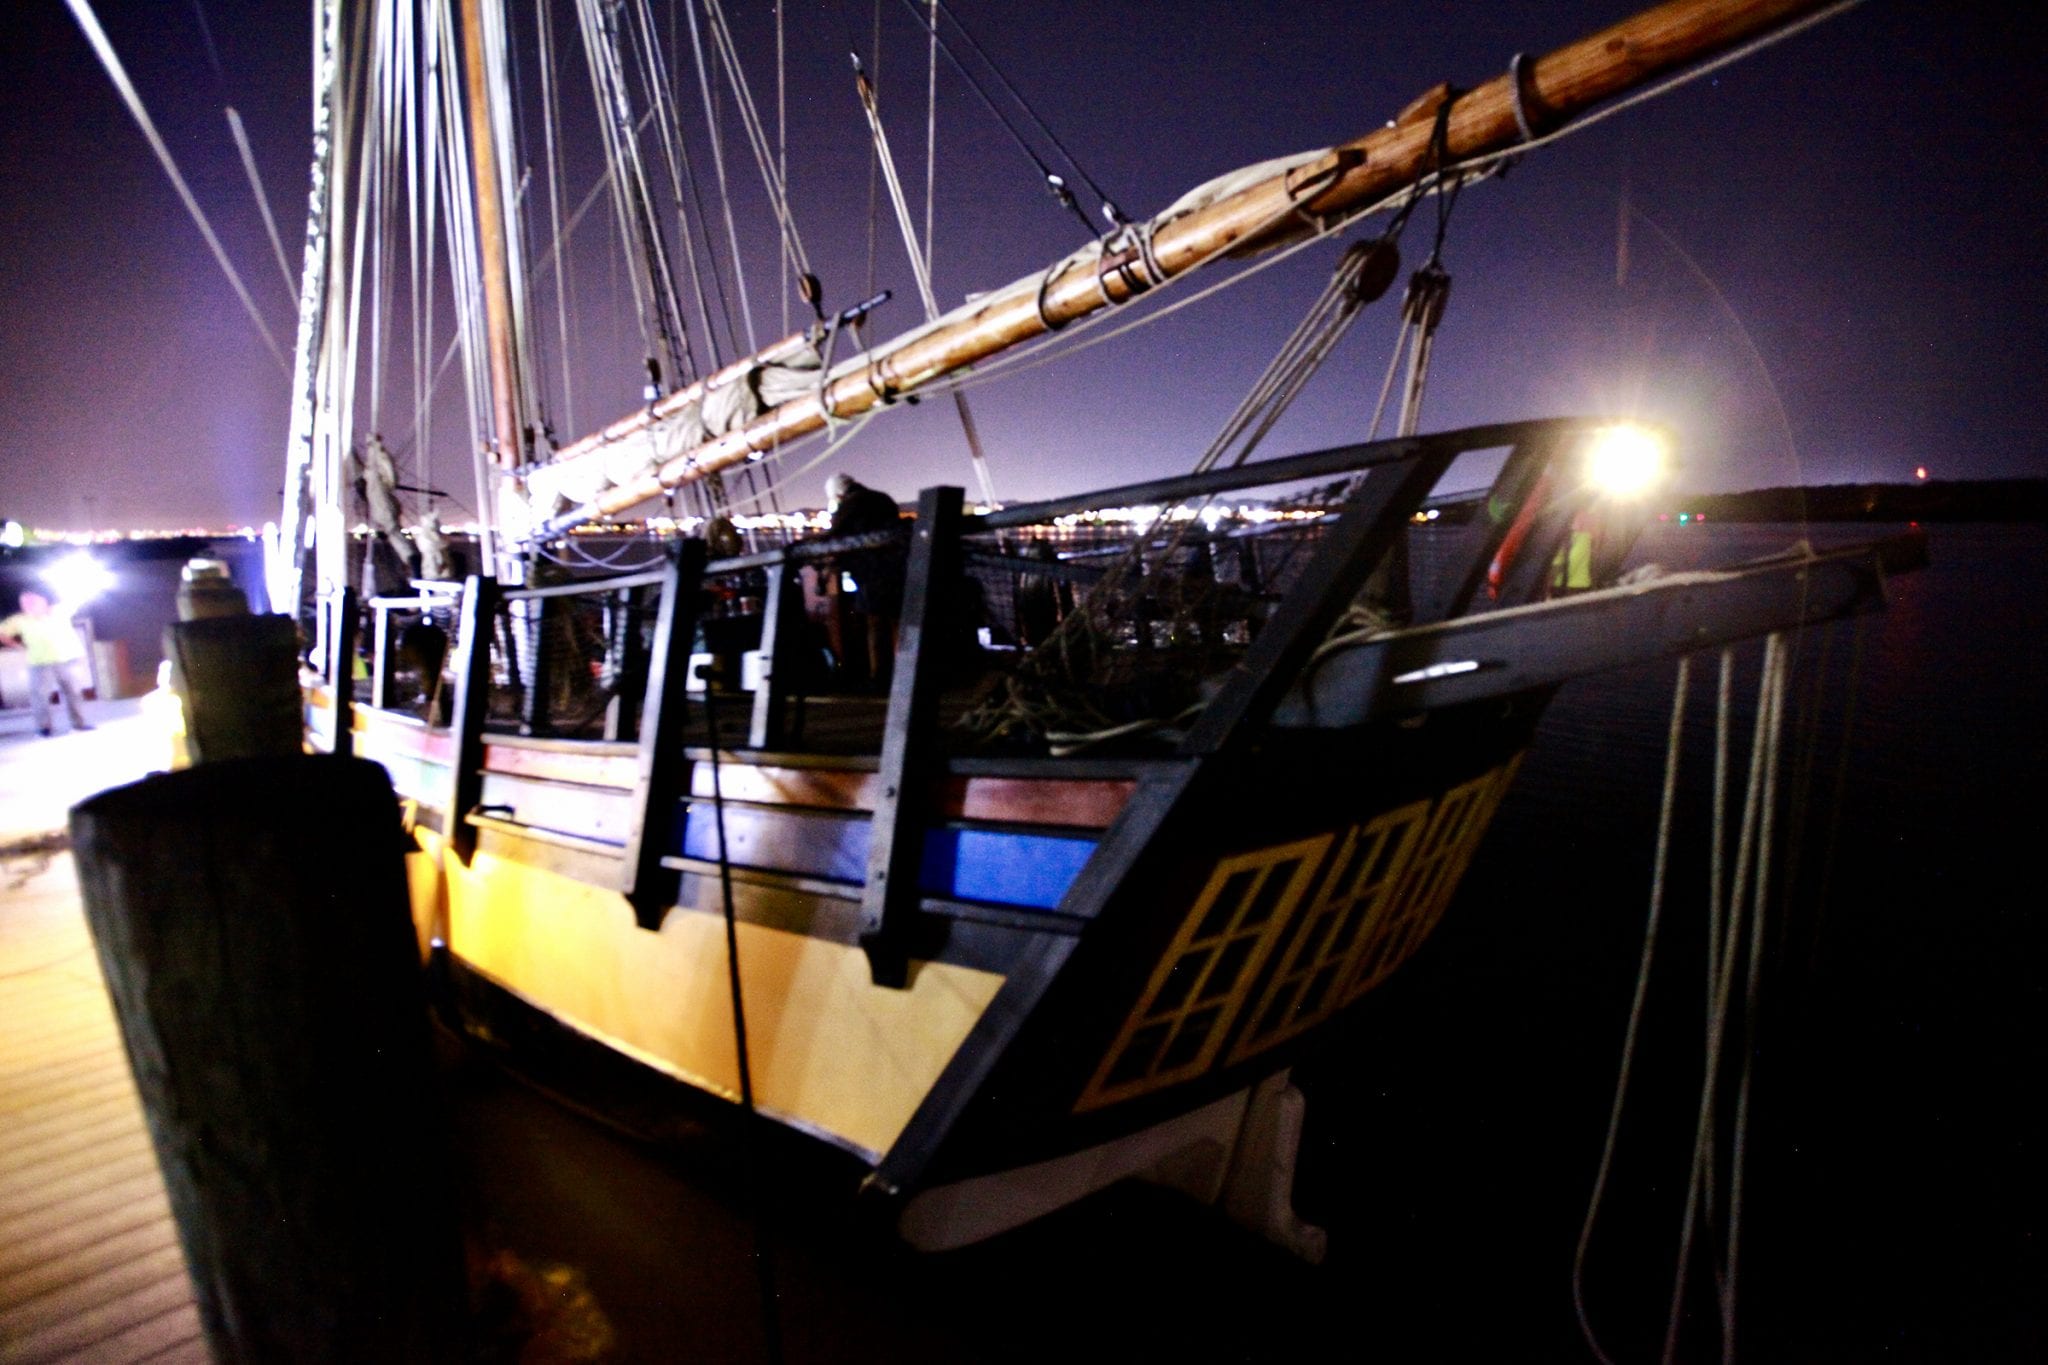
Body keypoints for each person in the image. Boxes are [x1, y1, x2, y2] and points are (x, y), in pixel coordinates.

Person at [825, 472, 905, 688]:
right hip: (898, 567)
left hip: (871, 571)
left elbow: (834, 537)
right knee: (899, 623)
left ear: (839, 494)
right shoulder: (883, 498)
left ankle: (879, 678)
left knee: (876, 624)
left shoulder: (849, 505)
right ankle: (907, 673)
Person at [0, 590, 94, 736]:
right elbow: (2, 633)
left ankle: (79, 723)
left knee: (73, 692)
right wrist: (17, 646)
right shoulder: (19, 620)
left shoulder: (59, 611)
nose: (28, 605)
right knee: (40, 696)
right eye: (24, 603)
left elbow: (79, 597)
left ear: (43, 602)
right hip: (39, 662)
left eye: (32, 602)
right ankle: (44, 727)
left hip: (66, 659)